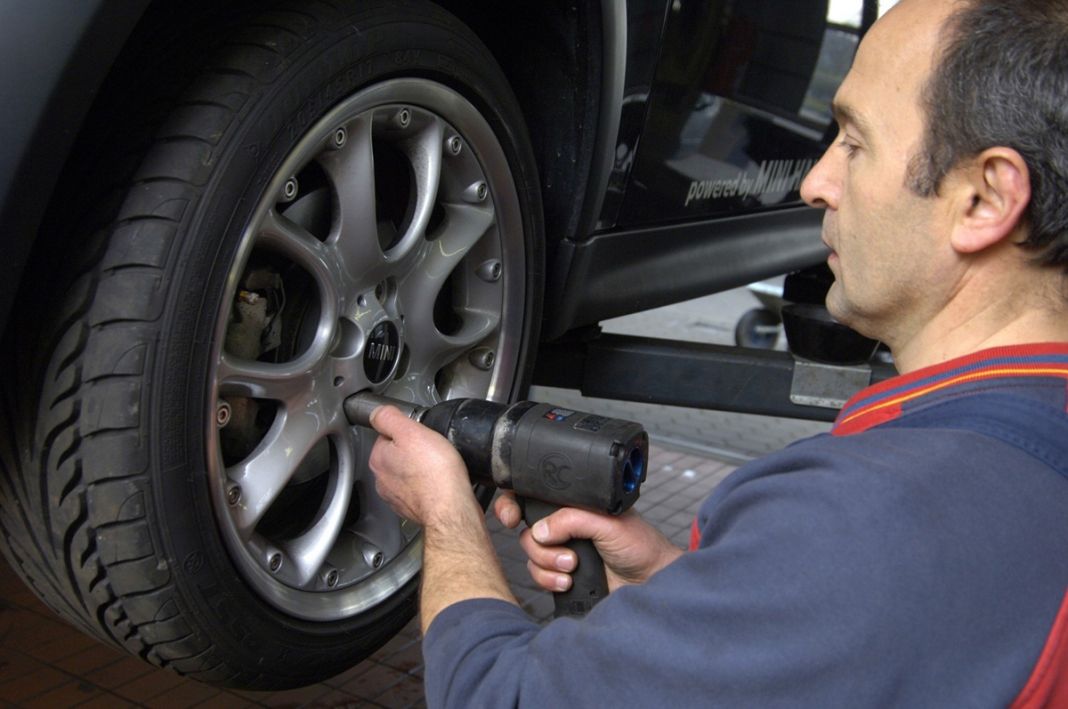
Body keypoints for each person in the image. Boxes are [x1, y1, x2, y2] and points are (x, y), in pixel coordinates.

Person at [368, 0, 1068, 705]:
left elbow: (499, 695)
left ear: (983, 199)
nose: (815, 182)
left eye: (855, 144)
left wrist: (447, 517)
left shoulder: (863, 520)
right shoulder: (1011, 462)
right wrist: (695, 586)